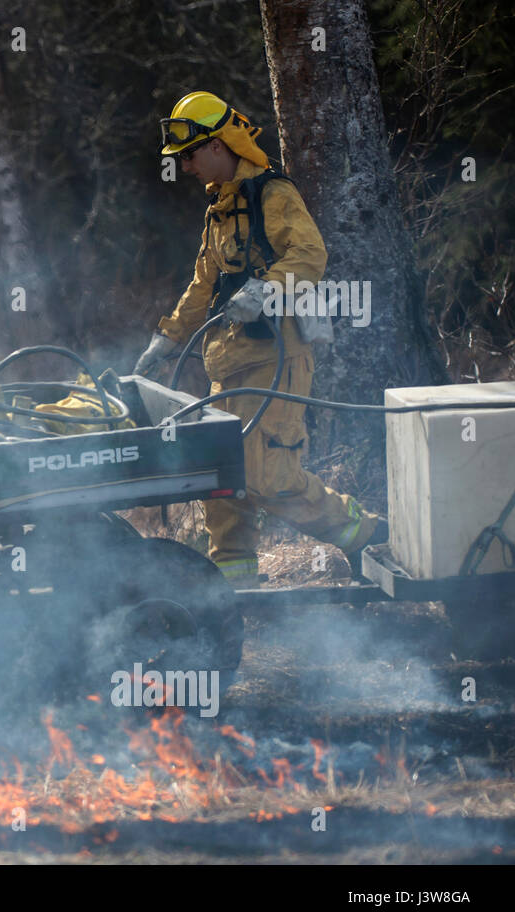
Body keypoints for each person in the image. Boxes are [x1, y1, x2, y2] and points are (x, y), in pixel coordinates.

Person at [134, 91, 387, 584]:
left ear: (218, 146)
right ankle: (235, 588)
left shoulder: (273, 195)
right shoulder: (221, 211)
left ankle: (366, 534)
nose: (184, 168)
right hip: (228, 363)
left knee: (270, 479)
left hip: (278, 357)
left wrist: (266, 290)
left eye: (189, 155)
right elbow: (202, 283)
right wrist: (165, 341)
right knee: (222, 479)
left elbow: (310, 256)